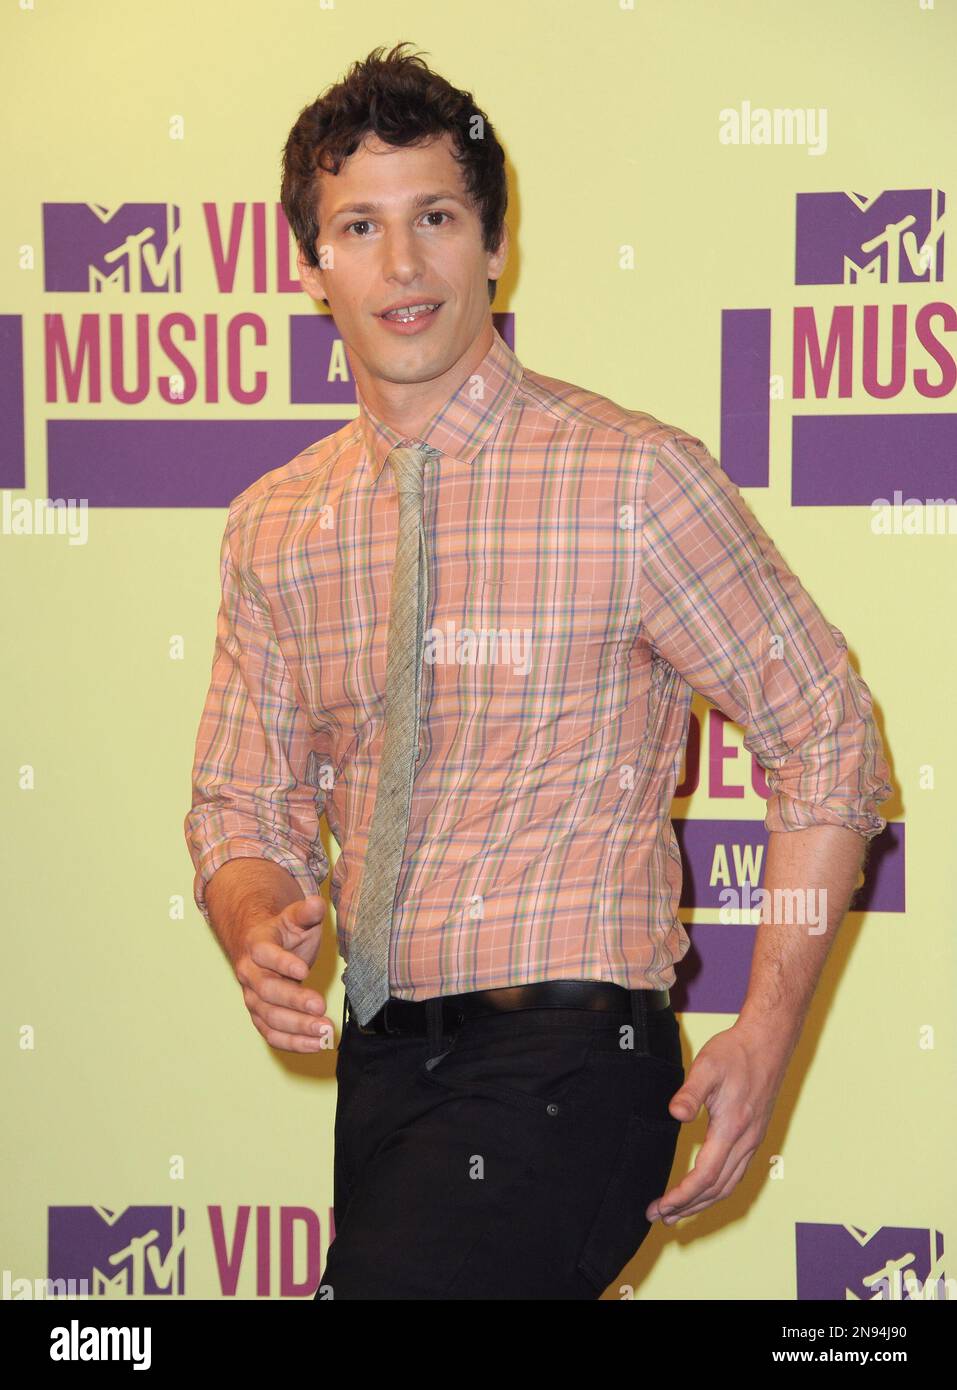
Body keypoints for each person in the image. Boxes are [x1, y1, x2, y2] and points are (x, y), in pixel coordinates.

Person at [183, 42, 893, 1300]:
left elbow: (828, 736)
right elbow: (243, 809)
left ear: (496, 244)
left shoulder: (631, 478)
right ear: (313, 267)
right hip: (386, 1077)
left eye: (438, 219)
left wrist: (770, 1029)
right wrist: (257, 924)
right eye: (362, 225)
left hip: (575, 1057)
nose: (402, 268)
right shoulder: (274, 526)